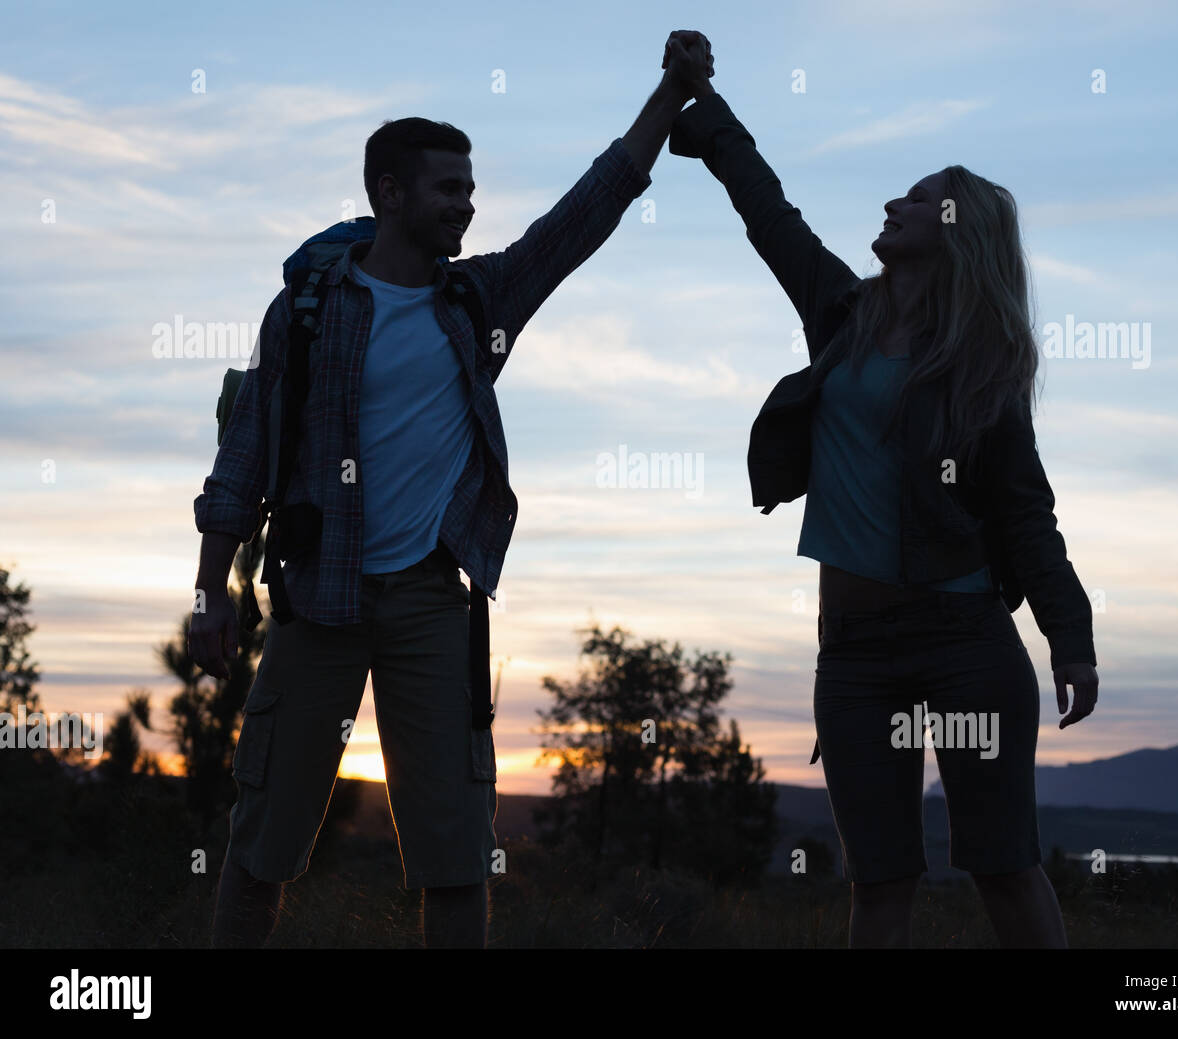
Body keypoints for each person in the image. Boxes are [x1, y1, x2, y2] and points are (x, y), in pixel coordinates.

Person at [189, 30, 715, 949]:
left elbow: (588, 211)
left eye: (471, 190)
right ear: (388, 193)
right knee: (263, 839)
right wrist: (207, 594)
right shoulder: (308, 314)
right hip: (317, 601)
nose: (465, 207)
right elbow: (242, 461)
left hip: (435, 602)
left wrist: (668, 95)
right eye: (447, 189)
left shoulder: (478, 303)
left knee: (457, 855)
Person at [665, 34, 1099, 948]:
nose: (894, 202)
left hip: (964, 642)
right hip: (855, 654)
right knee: (879, 882)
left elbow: (1026, 512)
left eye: (918, 198)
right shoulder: (841, 312)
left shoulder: (980, 367)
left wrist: (1071, 635)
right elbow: (769, 215)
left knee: (1002, 865)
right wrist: (699, 108)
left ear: (954, 233)